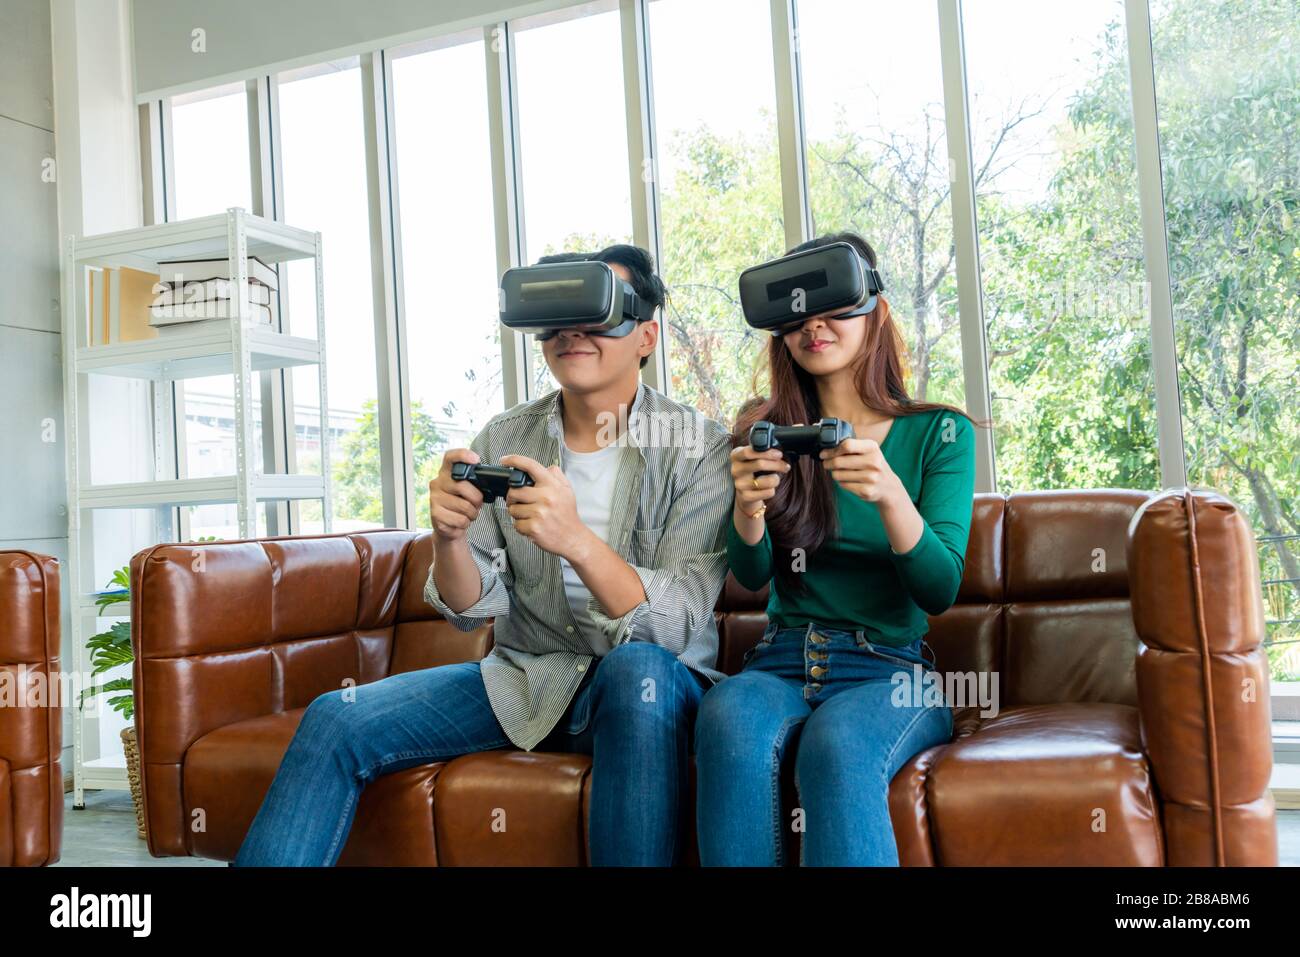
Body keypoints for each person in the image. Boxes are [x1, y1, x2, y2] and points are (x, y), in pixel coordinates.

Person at [234, 244, 733, 866]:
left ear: (646, 336)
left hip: (652, 693)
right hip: (529, 678)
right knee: (338, 717)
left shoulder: (701, 447)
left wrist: (575, 539)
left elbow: (677, 621)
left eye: (598, 315)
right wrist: (447, 536)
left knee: (637, 672)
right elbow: (472, 610)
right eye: (556, 319)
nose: (572, 334)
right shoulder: (506, 437)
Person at [694, 231, 976, 866]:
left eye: (832, 304)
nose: (812, 325)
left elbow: (939, 589)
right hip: (781, 659)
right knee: (727, 714)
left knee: (839, 742)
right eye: (794, 313)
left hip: (888, 669)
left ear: (873, 308)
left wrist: (891, 497)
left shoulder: (940, 433)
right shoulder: (762, 433)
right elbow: (752, 579)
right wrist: (747, 508)